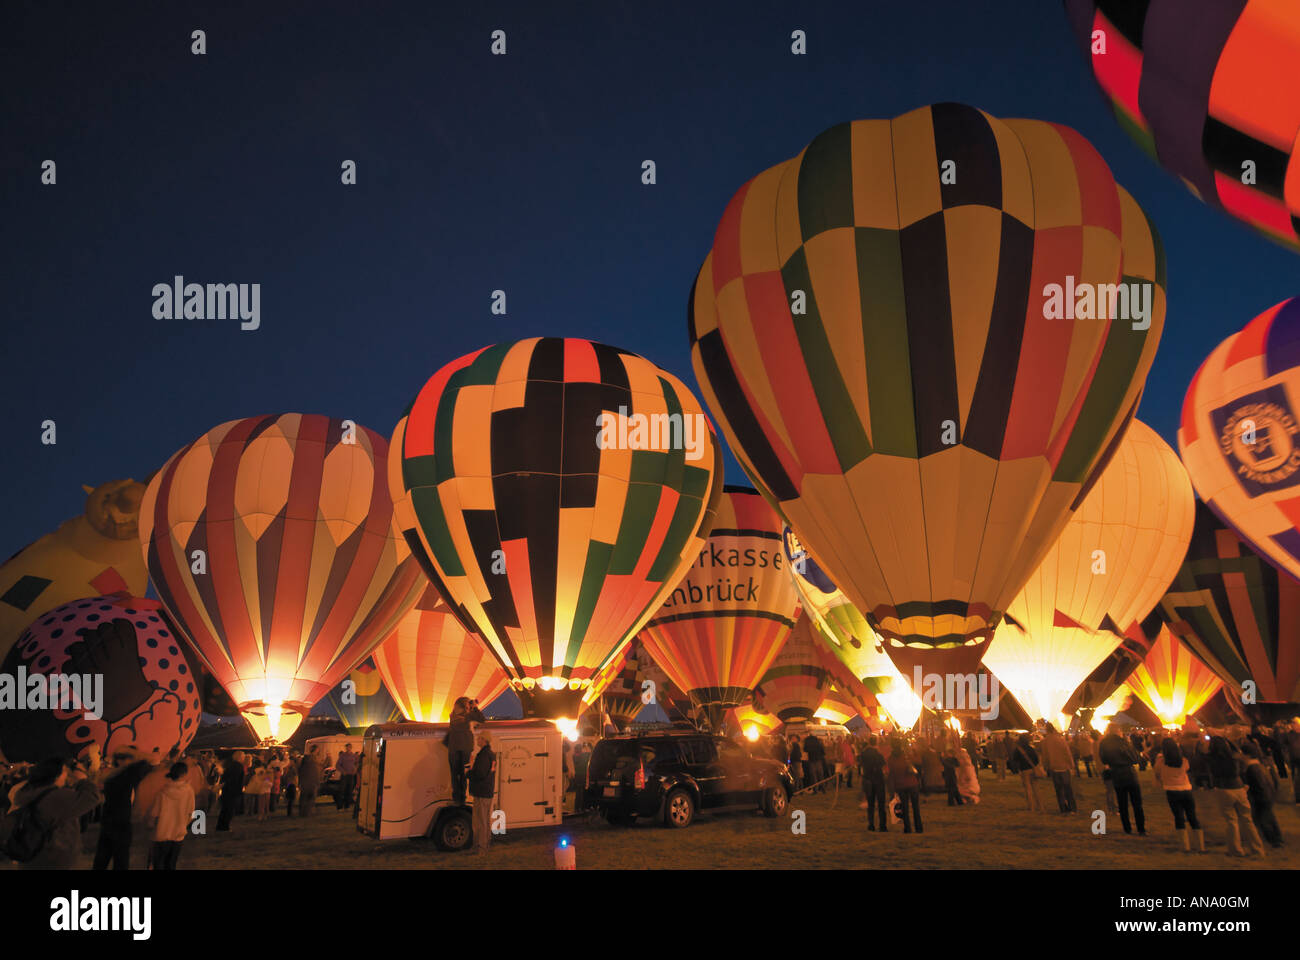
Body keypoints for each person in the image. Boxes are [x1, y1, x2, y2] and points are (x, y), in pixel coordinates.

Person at [5, 757, 103, 868]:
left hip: (32, 855)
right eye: (64, 772)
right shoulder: (56, 797)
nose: (66, 775)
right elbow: (92, 797)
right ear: (56, 775)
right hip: (52, 859)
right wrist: (82, 778)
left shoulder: (28, 790)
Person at [93, 747, 154, 870]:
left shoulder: (110, 775)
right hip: (121, 823)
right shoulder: (127, 774)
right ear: (121, 760)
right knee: (121, 860)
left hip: (108, 821)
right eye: (128, 758)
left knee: (101, 859)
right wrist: (131, 751)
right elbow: (152, 760)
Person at [1206, 735, 1265, 858]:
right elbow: (1243, 770)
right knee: (1247, 820)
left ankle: (1235, 850)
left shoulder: (1212, 759)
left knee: (1231, 821)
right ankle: (1257, 849)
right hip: (1238, 788)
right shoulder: (1235, 757)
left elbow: (1211, 774)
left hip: (1223, 789)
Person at [1154, 737, 1202, 853]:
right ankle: (1201, 846)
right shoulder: (1183, 760)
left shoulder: (1161, 761)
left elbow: (1157, 772)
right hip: (1186, 789)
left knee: (1179, 817)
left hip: (1172, 791)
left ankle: (1185, 846)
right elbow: (1187, 769)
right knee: (1192, 817)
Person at [146, 761, 196, 870]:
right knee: (171, 864)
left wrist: (150, 826)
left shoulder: (162, 793)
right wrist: (183, 825)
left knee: (157, 864)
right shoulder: (189, 791)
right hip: (178, 834)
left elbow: (154, 814)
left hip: (161, 834)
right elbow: (191, 813)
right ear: (184, 774)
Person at [1100, 725, 1144, 835]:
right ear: (1118, 731)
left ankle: (1127, 828)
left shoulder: (1104, 743)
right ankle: (1141, 829)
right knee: (1137, 804)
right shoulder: (1124, 742)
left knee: (1122, 803)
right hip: (1129, 773)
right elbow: (1135, 758)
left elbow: (1103, 759)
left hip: (1116, 774)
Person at [1240, 741, 1283, 849]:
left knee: (1263, 820)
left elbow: (1260, 784)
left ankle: (1274, 841)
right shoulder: (1259, 765)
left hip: (1262, 798)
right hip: (1268, 796)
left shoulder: (1252, 768)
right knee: (1270, 817)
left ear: (1247, 755)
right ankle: (1277, 838)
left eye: (1242, 753)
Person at [446, 697, 485, 806]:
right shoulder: (468, 716)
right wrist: (475, 708)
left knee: (454, 774)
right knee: (464, 773)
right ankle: (462, 798)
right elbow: (482, 719)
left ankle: (456, 798)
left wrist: (470, 707)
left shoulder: (452, 716)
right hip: (465, 748)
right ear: (465, 707)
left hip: (453, 748)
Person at [468, 729, 496, 855]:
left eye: (479, 738)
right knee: (484, 820)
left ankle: (481, 848)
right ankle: (484, 845)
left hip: (482, 792)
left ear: (484, 740)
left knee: (480, 821)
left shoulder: (484, 755)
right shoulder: (490, 754)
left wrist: (469, 771)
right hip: (486, 791)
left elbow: (480, 774)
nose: (477, 740)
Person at [1040, 723, 1077, 814]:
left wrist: (1045, 766)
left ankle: (1063, 809)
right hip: (1064, 767)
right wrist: (1072, 765)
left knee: (1059, 789)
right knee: (1068, 789)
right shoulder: (1061, 740)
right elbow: (1067, 753)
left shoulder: (1045, 742)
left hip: (1054, 768)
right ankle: (1072, 808)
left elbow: (1045, 756)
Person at [886, 739, 922, 833]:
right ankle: (919, 828)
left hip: (900, 785)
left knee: (905, 808)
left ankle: (907, 828)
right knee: (915, 808)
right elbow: (919, 761)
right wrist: (915, 752)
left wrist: (891, 790)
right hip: (912, 783)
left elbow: (890, 775)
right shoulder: (907, 755)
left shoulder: (890, 759)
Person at [859, 736, 888, 830]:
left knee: (870, 804)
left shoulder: (864, 753)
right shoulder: (878, 754)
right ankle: (882, 826)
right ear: (876, 742)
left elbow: (860, 763)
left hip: (868, 779)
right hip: (878, 780)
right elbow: (883, 765)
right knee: (881, 804)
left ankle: (871, 824)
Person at [1009, 733, 1044, 812]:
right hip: (1032, 769)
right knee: (1036, 789)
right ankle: (1040, 806)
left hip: (1024, 770)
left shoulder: (1018, 749)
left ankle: (1031, 807)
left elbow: (1015, 760)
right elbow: (1036, 760)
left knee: (1028, 789)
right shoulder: (1031, 749)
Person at [217, 750, 245, 831]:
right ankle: (225, 827)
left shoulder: (230, 765)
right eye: (243, 757)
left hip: (227, 790)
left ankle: (220, 826)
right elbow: (235, 779)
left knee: (225, 809)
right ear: (240, 757)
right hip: (233, 791)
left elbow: (225, 778)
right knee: (229, 810)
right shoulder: (238, 766)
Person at [334, 745, 359, 810]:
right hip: (344, 775)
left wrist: (355, 769)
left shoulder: (354, 756)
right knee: (342, 791)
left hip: (351, 775)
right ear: (346, 748)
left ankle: (347, 806)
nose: (348, 749)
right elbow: (337, 765)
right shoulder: (343, 756)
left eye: (350, 747)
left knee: (349, 790)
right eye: (347, 747)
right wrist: (343, 771)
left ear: (351, 748)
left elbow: (357, 763)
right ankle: (340, 806)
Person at [297, 748, 321, 817]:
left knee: (304, 798)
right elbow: (315, 773)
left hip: (307, 782)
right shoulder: (313, 762)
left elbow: (300, 772)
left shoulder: (305, 762)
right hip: (311, 782)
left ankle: (303, 812)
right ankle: (307, 812)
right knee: (310, 798)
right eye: (317, 751)